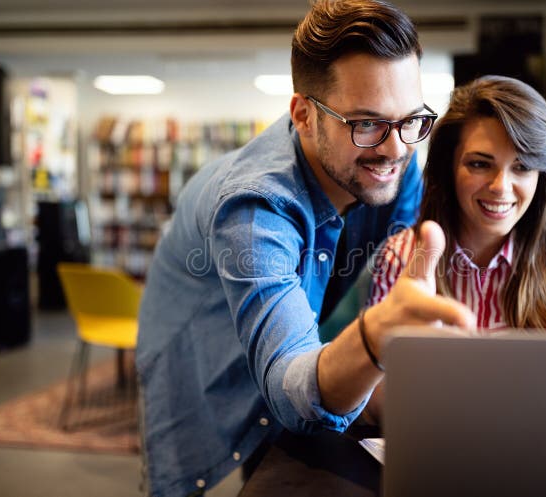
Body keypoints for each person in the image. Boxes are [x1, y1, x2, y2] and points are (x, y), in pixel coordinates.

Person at [136, 1, 473, 496]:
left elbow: (401, 274)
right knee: (185, 482)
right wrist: (372, 339)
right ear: (304, 116)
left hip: (289, 340)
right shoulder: (256, 210)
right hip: (200, 354)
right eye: (365, 123)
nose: (396, 148)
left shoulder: (396, 157)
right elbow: (293, 382)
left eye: (409, 121)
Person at [369, 75, 546, 339]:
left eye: (522, 167)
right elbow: (378, 376)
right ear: (448, 169)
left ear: (542, 175)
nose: (501, 186)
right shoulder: (402, 257)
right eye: (479, 164)